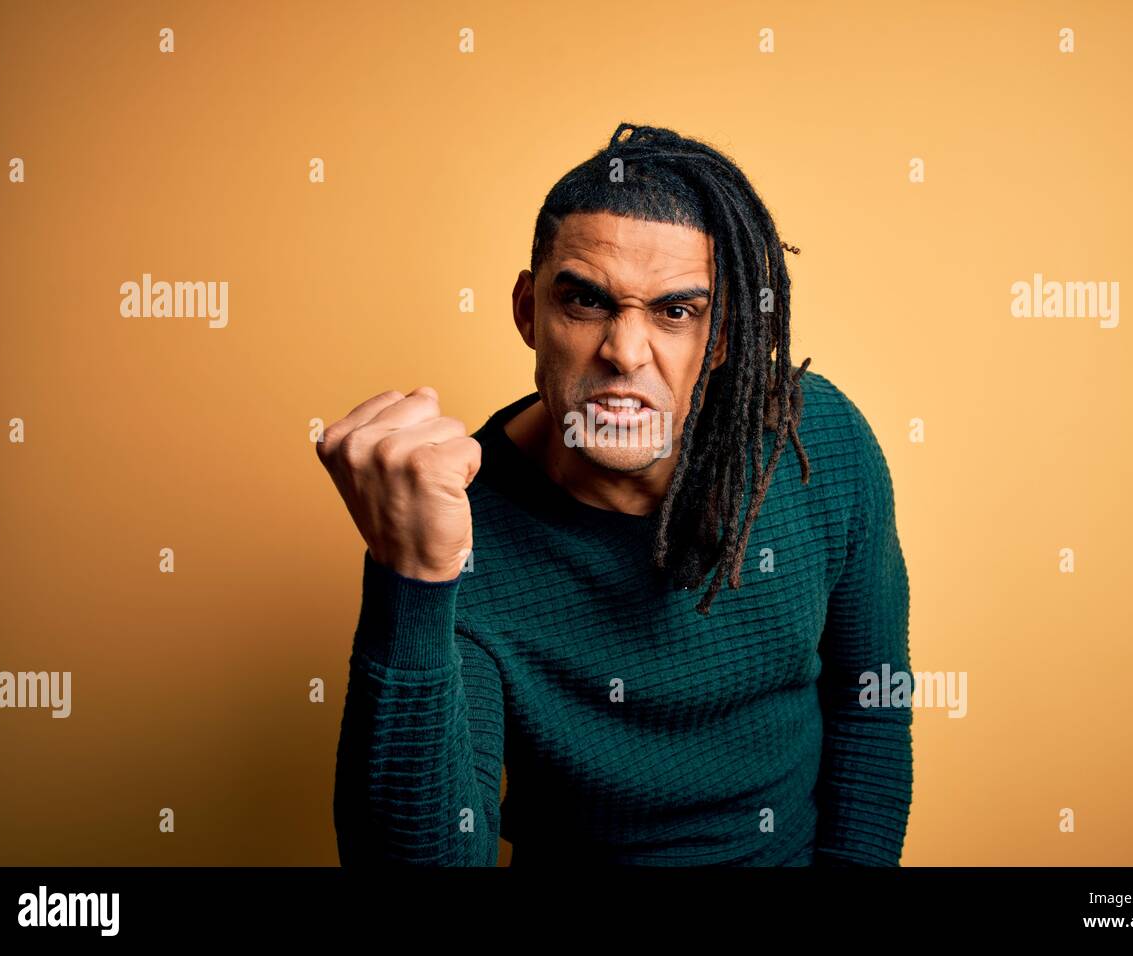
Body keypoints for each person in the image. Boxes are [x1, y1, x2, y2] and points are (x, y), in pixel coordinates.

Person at [318, 122, 914, 866]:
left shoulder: (816, 441)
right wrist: (411, 576)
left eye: (675, 312)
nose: (625, 353)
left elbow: (873, 702)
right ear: (528, 312)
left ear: (722, 335)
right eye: (587, 303)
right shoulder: (460, 529)